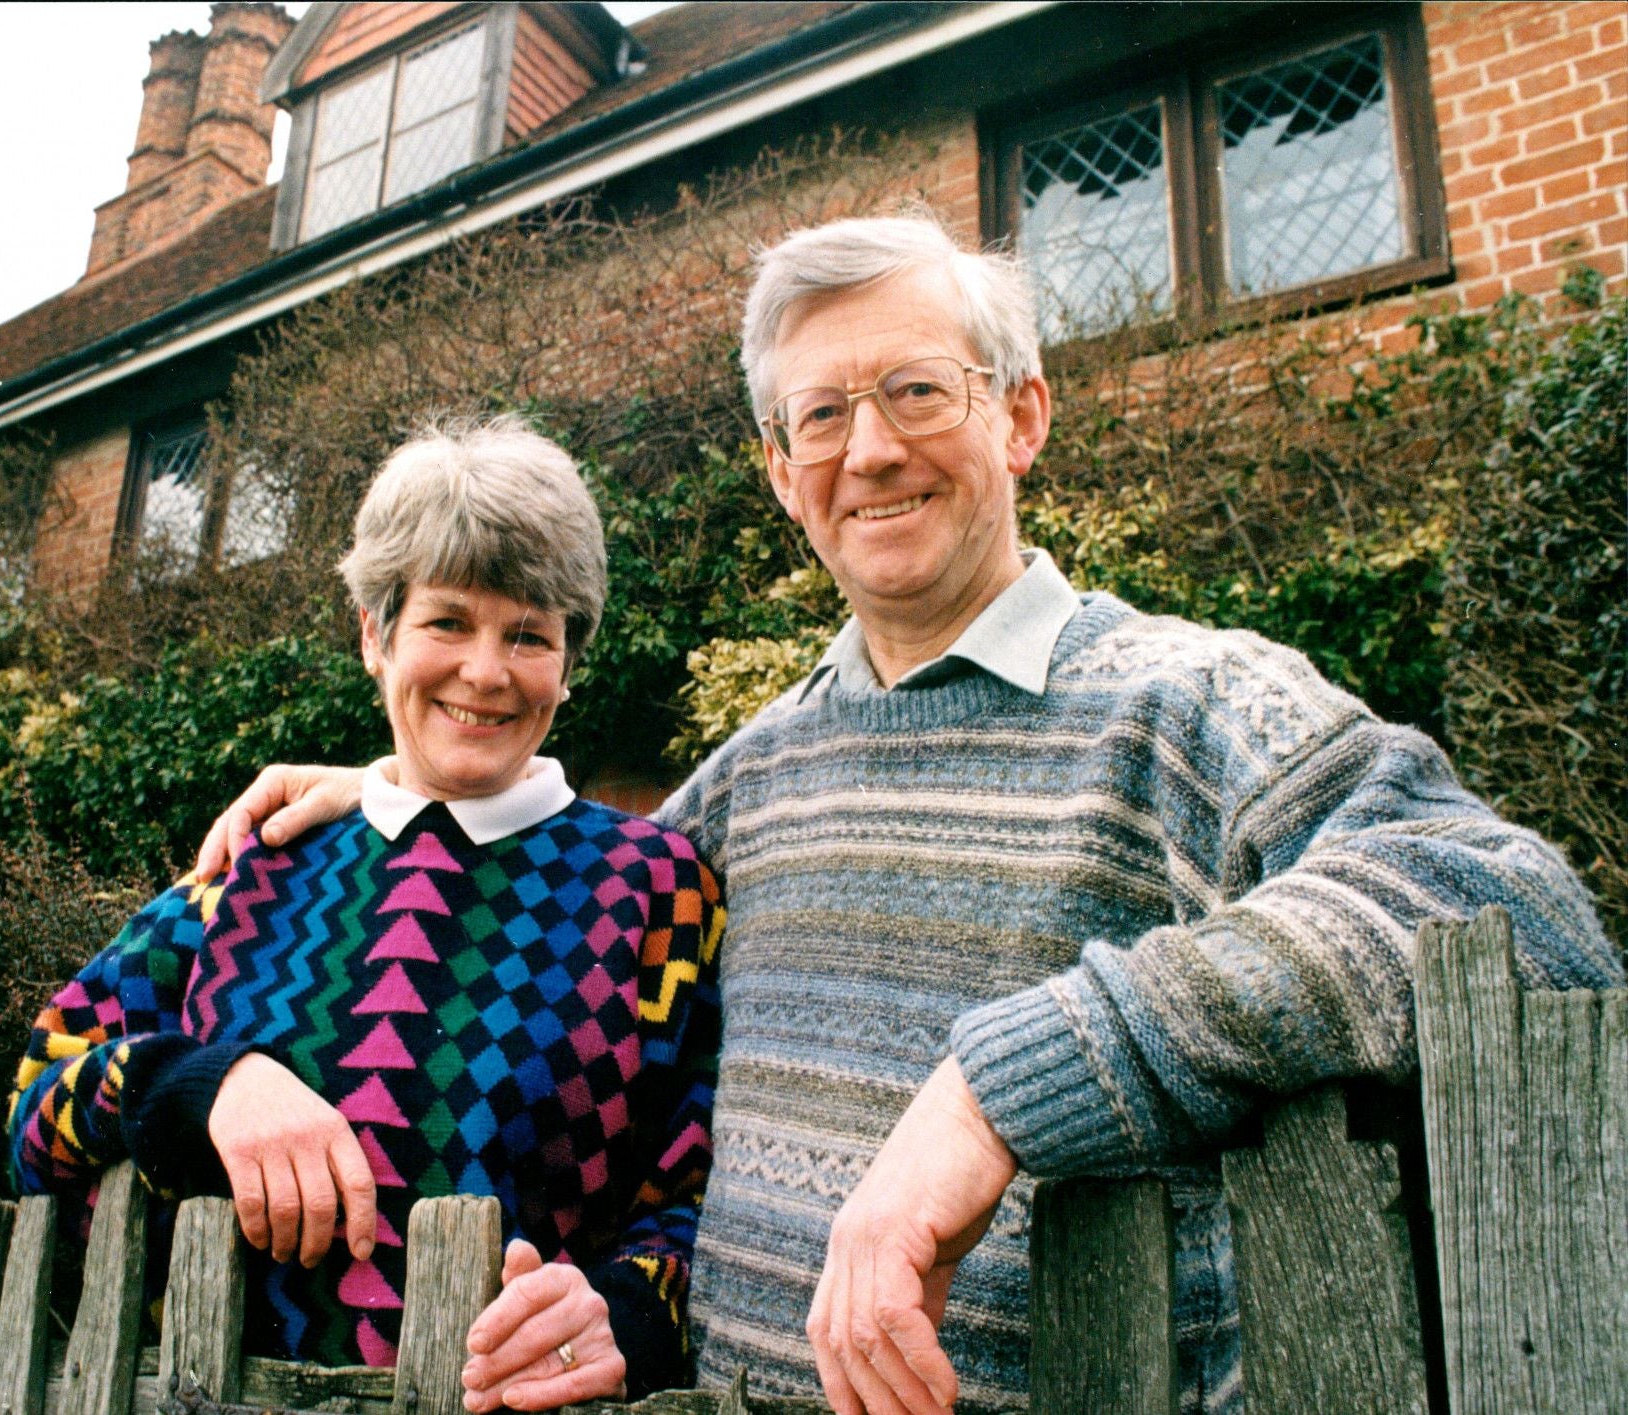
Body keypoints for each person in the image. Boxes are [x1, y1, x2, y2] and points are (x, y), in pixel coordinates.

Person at [190, 218, 1622, 1414]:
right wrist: (399, 793)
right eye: (820, 415)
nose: (869, 449)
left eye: (919, 391)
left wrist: (1003, 1085)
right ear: (782, 474)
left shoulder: (1185, 703)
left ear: (1021, 415)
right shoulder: (753, 780)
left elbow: (1508, 905)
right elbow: (562, 888)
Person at [10, 416, 724, 1410]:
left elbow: (697, 1196)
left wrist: (625, 1313)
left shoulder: (655, 887)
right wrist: (205, 1083)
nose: (486, 670)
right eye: (446, 621)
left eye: (528, 634)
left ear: (568, 665)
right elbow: (33, 1113)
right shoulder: (252, 870)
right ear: (373, 636)